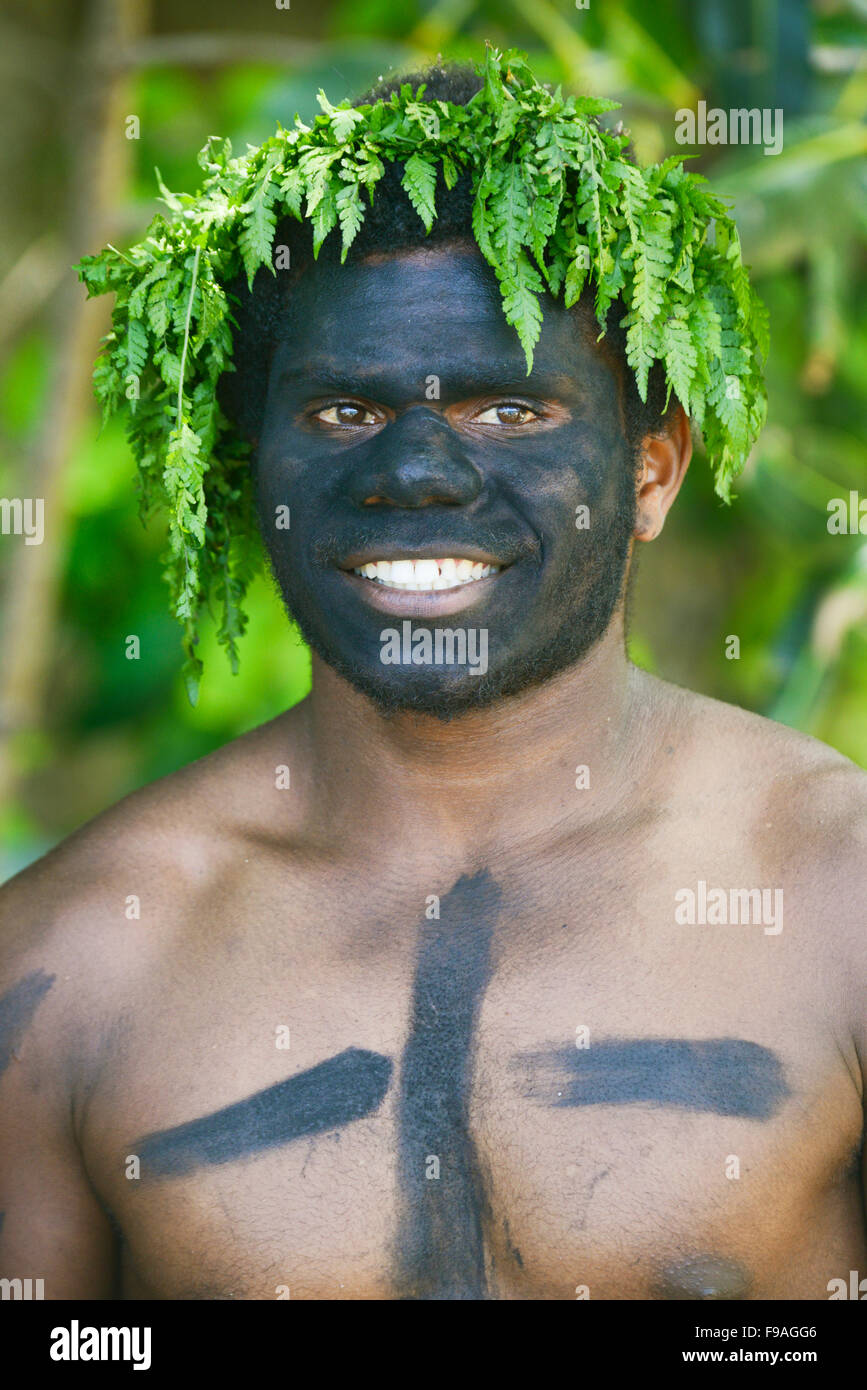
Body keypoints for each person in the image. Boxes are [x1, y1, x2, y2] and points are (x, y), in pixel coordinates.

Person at [1, 59, 864, 1303]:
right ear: (255, 473)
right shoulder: (75, 969)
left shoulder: (838, 897)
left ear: (654, 469)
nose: (418, 475)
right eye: (346, 414)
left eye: (509, 409)